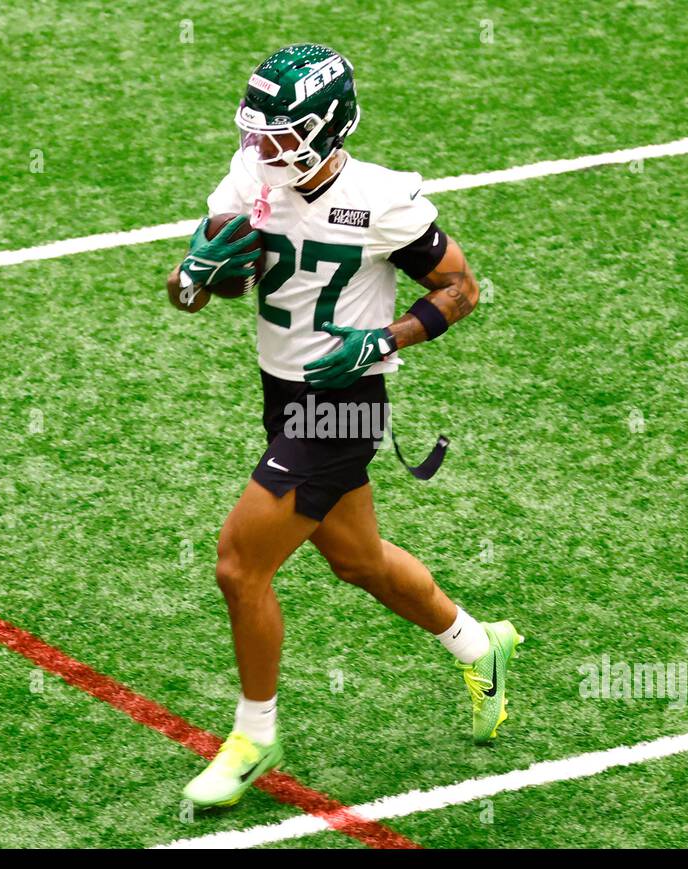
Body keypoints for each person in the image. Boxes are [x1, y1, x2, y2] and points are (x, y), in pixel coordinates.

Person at [164, 43, 521, 809]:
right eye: (259, 133)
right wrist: (194, 277)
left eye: (283, 135)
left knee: (238, 565)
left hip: (345, 405)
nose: (265, 149)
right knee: (358, 560)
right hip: (283, 394)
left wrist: (385, 340)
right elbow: (197, 289)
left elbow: (461, 287)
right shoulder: (250, 176)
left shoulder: (383, 199)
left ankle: (254, 735)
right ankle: (477, 642)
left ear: (328, 130)